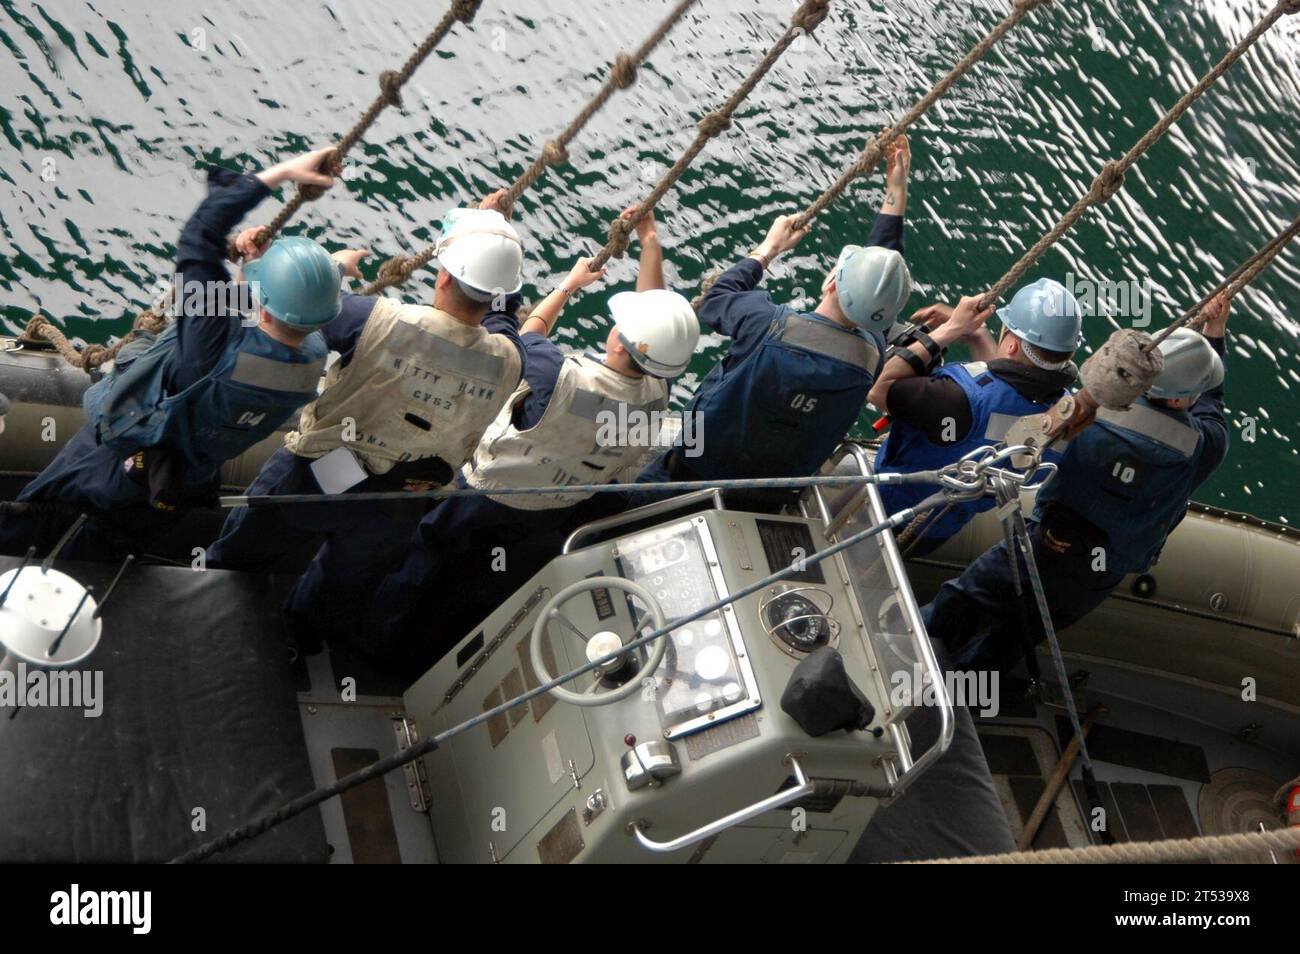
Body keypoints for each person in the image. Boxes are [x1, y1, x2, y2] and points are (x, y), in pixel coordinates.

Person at [363, 207, 700, 666]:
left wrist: (566, 287)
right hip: (557, 506)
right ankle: (441, 648)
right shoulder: (658, 392)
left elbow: (523, 330)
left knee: (426, 555)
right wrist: (649, 242)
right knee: (483, 574)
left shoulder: (553, 373)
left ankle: (376, 643)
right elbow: (656, 335)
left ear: (618, 342)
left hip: (485, 496)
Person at [206, 190, 528, 652]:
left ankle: (208, 597)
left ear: (441, 277)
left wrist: (326, 266)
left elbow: (296, 307)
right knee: (342, 581)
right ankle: (294, 645)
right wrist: (494, 231)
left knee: (254, 540)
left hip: (324, 472)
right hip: (401, 496)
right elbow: (504, 315)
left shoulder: (375, 319)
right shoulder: (509, 360)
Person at [0, 148, 344, 562]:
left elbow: (199, 238)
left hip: (113, 463)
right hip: (180, 484)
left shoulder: (209, 349)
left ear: (265, 302)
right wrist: (249, 271)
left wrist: (280, 174)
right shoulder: (311, 357)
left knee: (35, 523)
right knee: (108, 547)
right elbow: (267, 327)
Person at [925, 295, 1231, 673]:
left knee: (963, 602)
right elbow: (1212, 405)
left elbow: (1027, 441)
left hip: (1043, 543)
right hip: (1097, 572)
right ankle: (961, 696)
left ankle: (906, 666)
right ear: (1185, 395)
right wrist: (1215, 333)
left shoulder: (1088, 412)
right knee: (1014, 640)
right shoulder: (1204, 447)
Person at [630, 136, 914, 508]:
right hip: (766, 495)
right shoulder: (871, 354)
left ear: (830, 283)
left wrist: (768, 249)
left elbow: (715, 300)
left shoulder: (768, 324)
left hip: (692, 468)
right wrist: (896, 190)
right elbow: (877, 290)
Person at [871, 277, 1082, 556]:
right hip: (938, 530)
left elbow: (880, 389)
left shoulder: (953, 397)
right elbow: (1007, 397)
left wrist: (950, 330)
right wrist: (979, 335)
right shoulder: (1064, 416)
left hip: (884, 510)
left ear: (1011, 345)